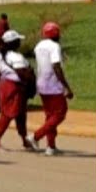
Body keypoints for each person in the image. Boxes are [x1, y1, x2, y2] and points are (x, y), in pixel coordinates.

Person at [0, 30, 33, 152]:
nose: (20, 42)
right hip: (14, 87)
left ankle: (25, 140)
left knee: (21, 114)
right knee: (8, 113)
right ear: (13, 43)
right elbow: (23, 74)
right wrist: (31, 83)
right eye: (18, 40)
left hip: (4, 85)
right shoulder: (16, 57)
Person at [32, 22, 73, 156]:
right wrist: (66, 87)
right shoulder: (55, 46)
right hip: (53, 85)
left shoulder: (38, 46)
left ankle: (51, 147)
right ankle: (35, 137)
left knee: (50, 117)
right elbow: (56, 66)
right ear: (55, 34)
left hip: (42, 84)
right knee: (60, 113)